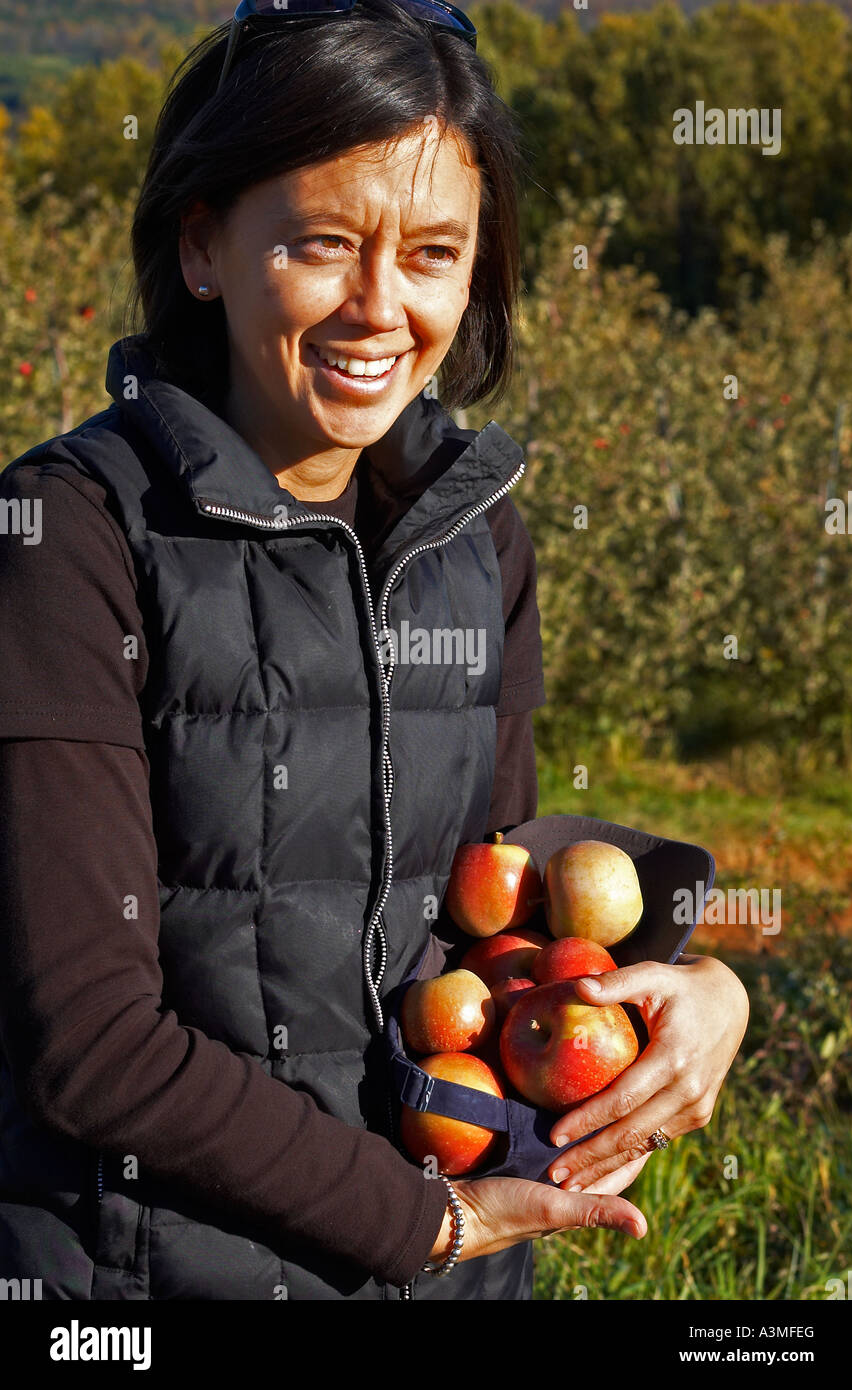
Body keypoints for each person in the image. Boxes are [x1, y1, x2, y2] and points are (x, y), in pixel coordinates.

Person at [0, 0, 749, 1301]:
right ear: (203, 246)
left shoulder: (477, 534)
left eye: (434, 252)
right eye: (325, 243)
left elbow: (484, 892)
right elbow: (90, 1042)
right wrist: (420, 1221)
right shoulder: (70, 538)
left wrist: (689, 970)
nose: (381, 305)